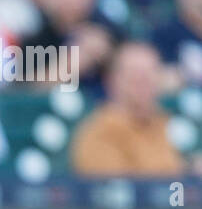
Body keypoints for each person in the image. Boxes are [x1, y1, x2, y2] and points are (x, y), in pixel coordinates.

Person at [70, 41, 185, 177]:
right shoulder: (98, 132)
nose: (144, 81)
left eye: (151, 73)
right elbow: (115, 190)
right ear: (111, 80)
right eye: (134, 74)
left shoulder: (164, 124)